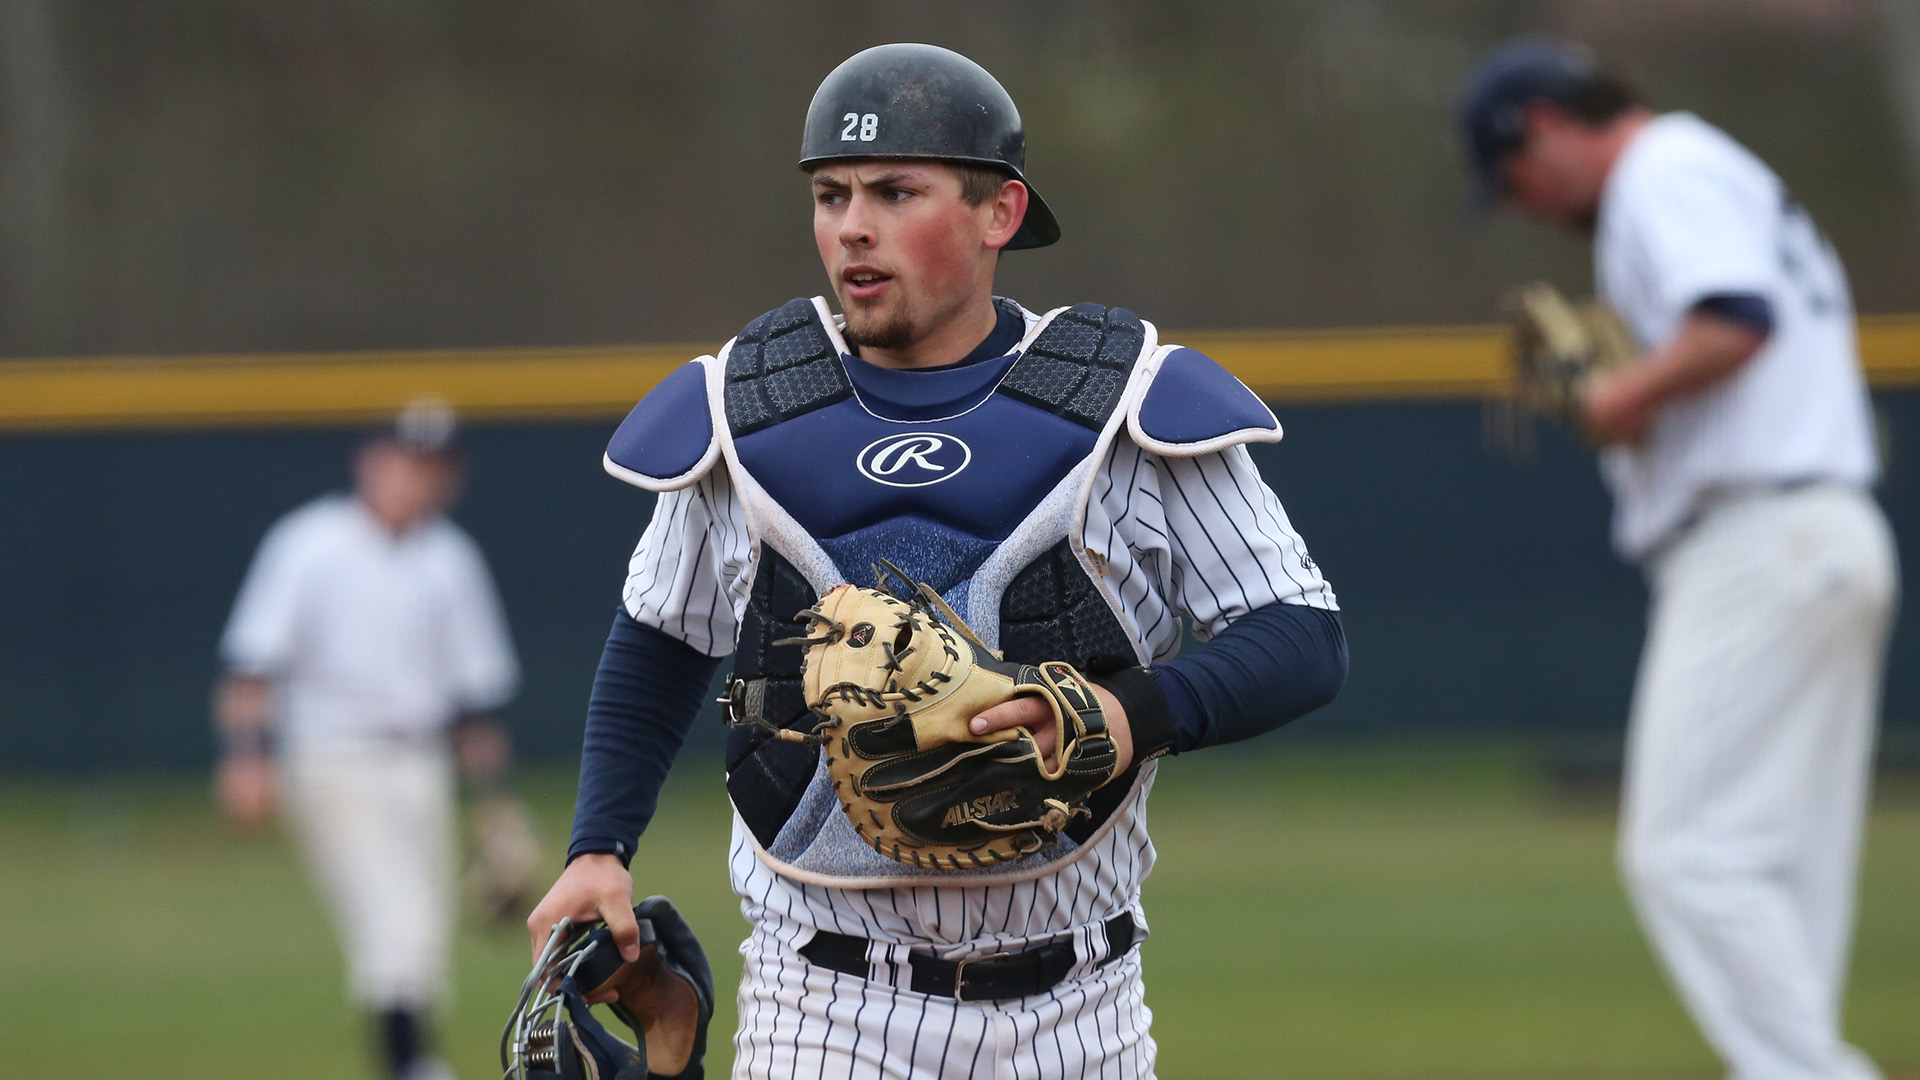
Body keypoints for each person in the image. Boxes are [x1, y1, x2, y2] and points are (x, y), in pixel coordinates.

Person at [527, 43, 1348, 1078]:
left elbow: (1303, 633)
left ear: (999, 213)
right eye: (831, 195)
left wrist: (1128, 713)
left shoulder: (1126, 407)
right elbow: (657, 640)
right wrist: (597, 847)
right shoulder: (745, 409)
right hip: (825, 1006)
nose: (853, 226)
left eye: (895, 191)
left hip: (1083, 1013)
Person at [1457, 38, 1898, 1080]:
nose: (1520, 202)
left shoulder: (1665, 172)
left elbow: (1735, 317)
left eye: (1511, 173)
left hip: (1759, 541)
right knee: (1781, 866)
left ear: (1544, 127)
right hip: (1823, 531)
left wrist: (1618, 399)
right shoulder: (1717, 168)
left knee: (1685, 856)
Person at [215, 398, 523, 1080]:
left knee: (427, 934)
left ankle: (410, 1058)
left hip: (420, 761)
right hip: (332, 760)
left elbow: (474, 703)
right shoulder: (308, 543)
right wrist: (246, 755)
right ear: (372, 461)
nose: (420, 478)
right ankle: (415, 1066)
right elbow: (251, 665)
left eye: (435, 466)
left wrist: (495, 805)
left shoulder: (450, 558)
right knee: (396, 924)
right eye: (410, 461)